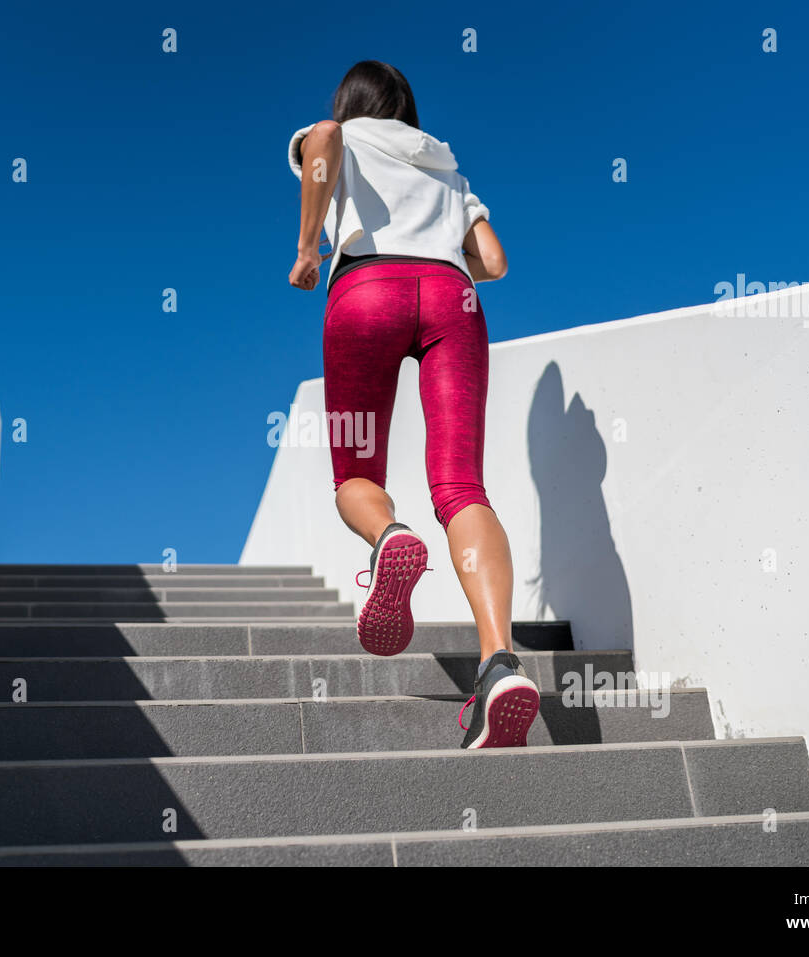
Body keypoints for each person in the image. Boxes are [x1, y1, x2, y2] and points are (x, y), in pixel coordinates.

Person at [286, 60, 540, 748]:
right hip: (453, 299)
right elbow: (493, 260)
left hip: (367, 289)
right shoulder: (447, 168)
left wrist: (310, 246)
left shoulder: (340, 132)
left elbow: (325, 144)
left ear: (352, 101)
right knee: (462, 487)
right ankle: (500, 663)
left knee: (356, 479)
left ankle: (389, 537)